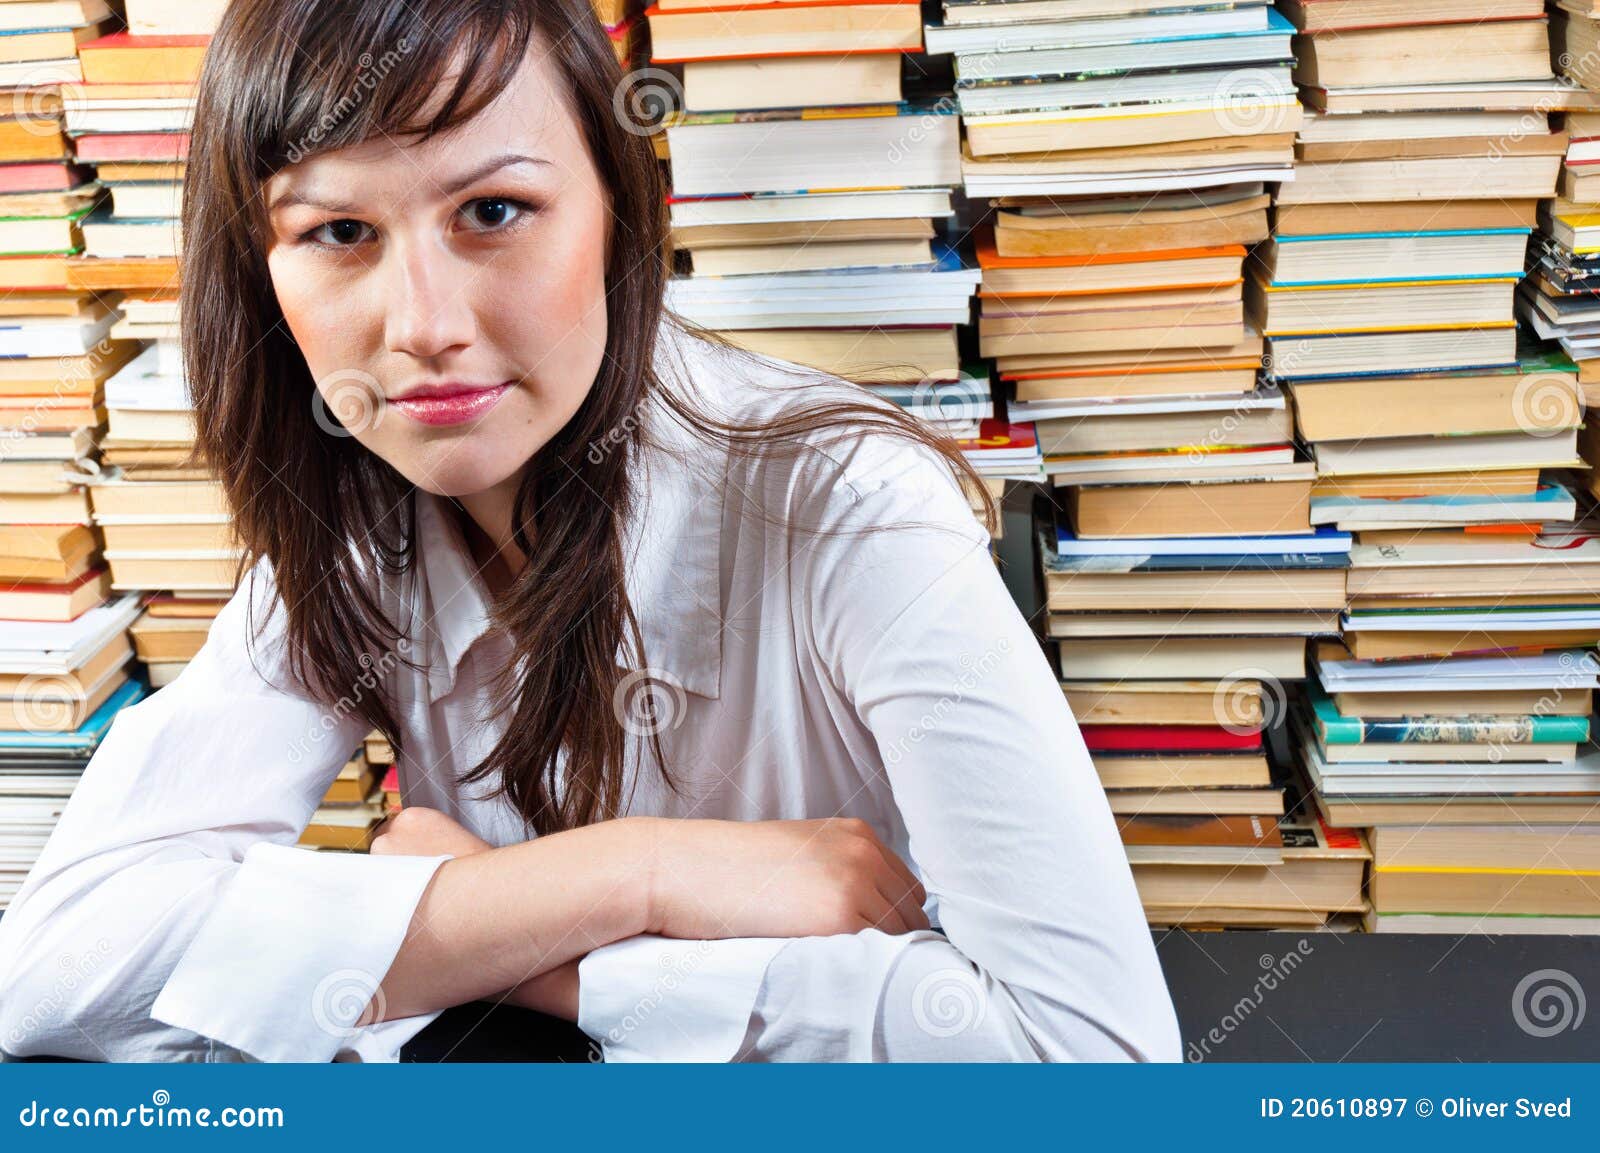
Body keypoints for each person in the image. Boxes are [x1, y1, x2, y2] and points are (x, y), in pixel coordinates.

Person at [0, 0, 1182, 1063]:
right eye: (339, 234)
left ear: (622, 216)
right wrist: (640, 873)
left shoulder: (848, 505)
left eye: (495, 210)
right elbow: (48, 974)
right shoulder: (357, 519)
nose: (424, 326)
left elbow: (1088, 1061)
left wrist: (529, 946)